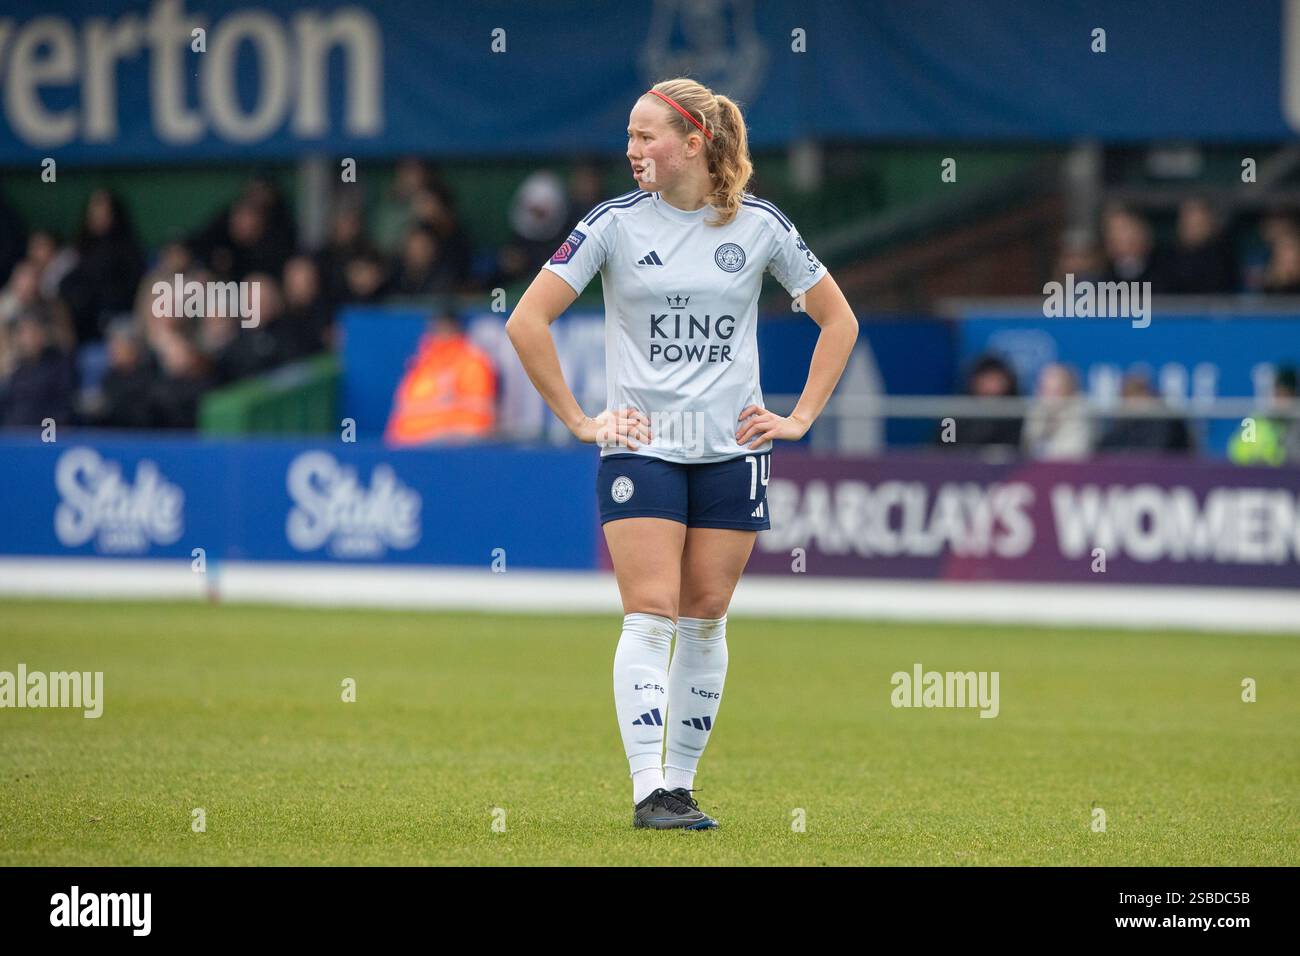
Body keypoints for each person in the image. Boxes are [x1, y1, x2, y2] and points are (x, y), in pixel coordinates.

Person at [505, 78, 858, 830]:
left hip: (734, 452)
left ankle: (681, 787)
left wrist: (798, 417)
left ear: (693, 143)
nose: (631, 151)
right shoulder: (612, 225)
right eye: (629, 137)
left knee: (705, 616)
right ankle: (647, 790)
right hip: (644, 451)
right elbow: (527, 321)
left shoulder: (760, 225)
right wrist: (579, 419)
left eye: (646, 136)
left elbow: (840, 321)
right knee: (652, 612)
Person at [384, 308, 496, 446]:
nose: (437, 331)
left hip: (449, 452)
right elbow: (401, 416)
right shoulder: (421, 364)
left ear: (455, 327)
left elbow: (477, 421)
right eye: (434, 326)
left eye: (443, 326)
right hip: (406, 450)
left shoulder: (472, 363)